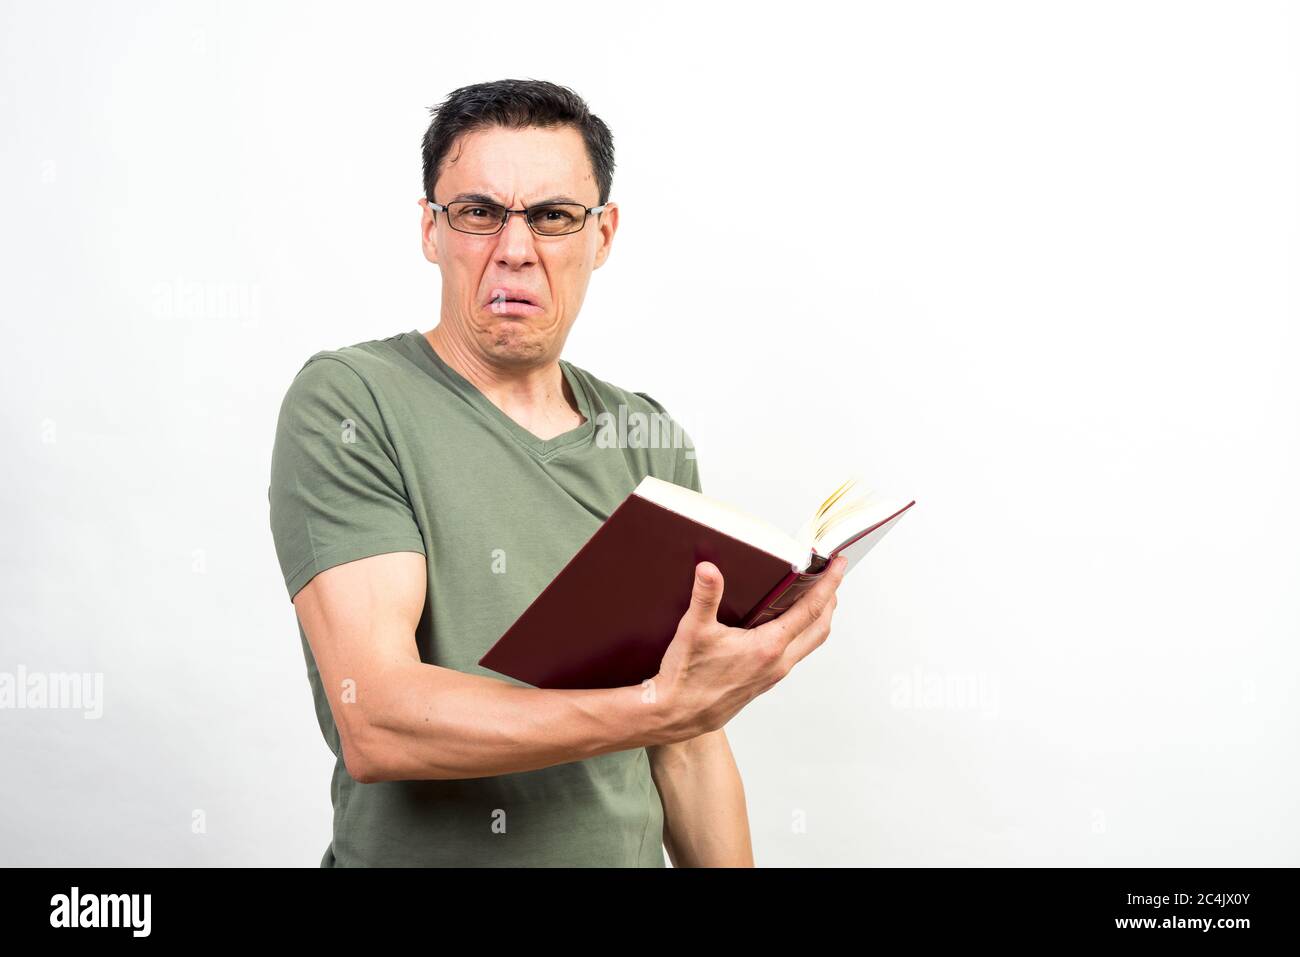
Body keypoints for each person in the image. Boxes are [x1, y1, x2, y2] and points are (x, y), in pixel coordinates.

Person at [267, 78, 847, 867]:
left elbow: (690, 746)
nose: (514, 248)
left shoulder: (647, 438)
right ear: (430, 231)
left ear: (601, 234)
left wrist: (677, 711)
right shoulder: (352, 402)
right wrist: (654, 706)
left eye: (552, 216)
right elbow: (379, 718)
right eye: (477, 213)